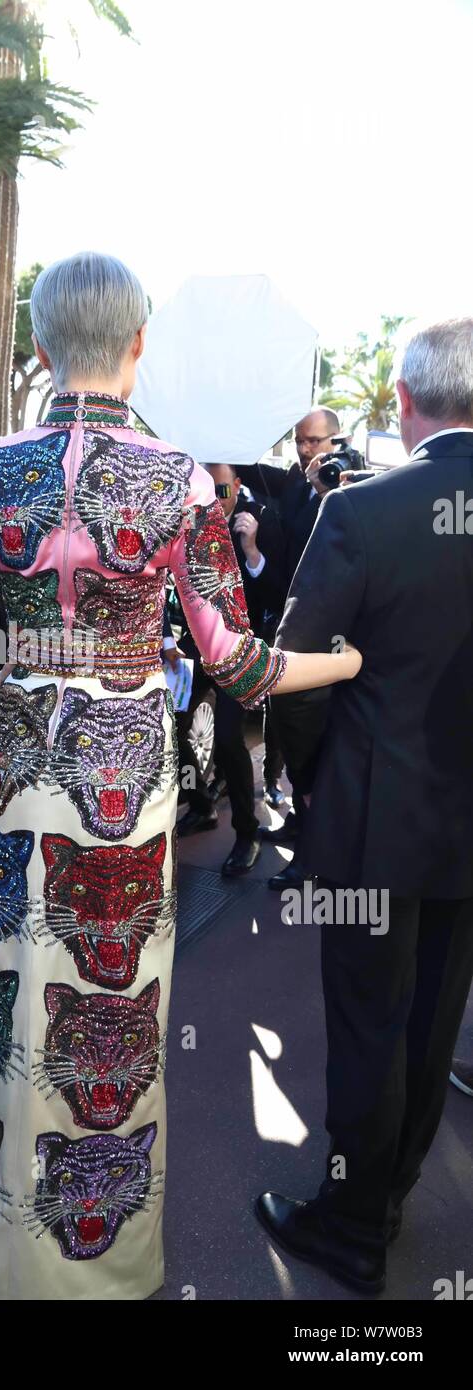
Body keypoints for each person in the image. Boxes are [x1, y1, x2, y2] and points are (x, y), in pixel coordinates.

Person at [0, 251, 361, 1301]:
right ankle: (77, 1266)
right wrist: (347, 660)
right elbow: (235, 663)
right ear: (138, 345)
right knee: (106, 1000)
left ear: (42, 346)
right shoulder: (179, 480)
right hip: (122, 767)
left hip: (15, 760)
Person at [255, 318, 473, 1296]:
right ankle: (383, 1197)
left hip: (369, 818)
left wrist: (305, 791)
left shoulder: (360, 511)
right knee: (430, 1021)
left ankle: (351, 1222)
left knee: (366, 1025)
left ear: (401, 402)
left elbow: (295, 679)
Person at [176, 463, 284, 876]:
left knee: (225, 737)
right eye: (206, 486)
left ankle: (246, 831)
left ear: (238, 486)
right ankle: (202, 804)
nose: (214, 495)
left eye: (222, 488)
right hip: (196, 647)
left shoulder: (263, 521)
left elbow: (278, 592)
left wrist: (252, 549)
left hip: (240, 648)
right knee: (173, 725)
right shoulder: (191, 517)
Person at [259, 407, 342, 890]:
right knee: (289, 738)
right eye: (299, 440)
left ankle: (312, 853)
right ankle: (298, 823)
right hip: (287, 635)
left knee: (316, 751)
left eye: (314, 441)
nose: (306, 450)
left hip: (326, 644)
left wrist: (327, 489)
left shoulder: (349, 491)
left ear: (335, 441)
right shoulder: (289, 484)